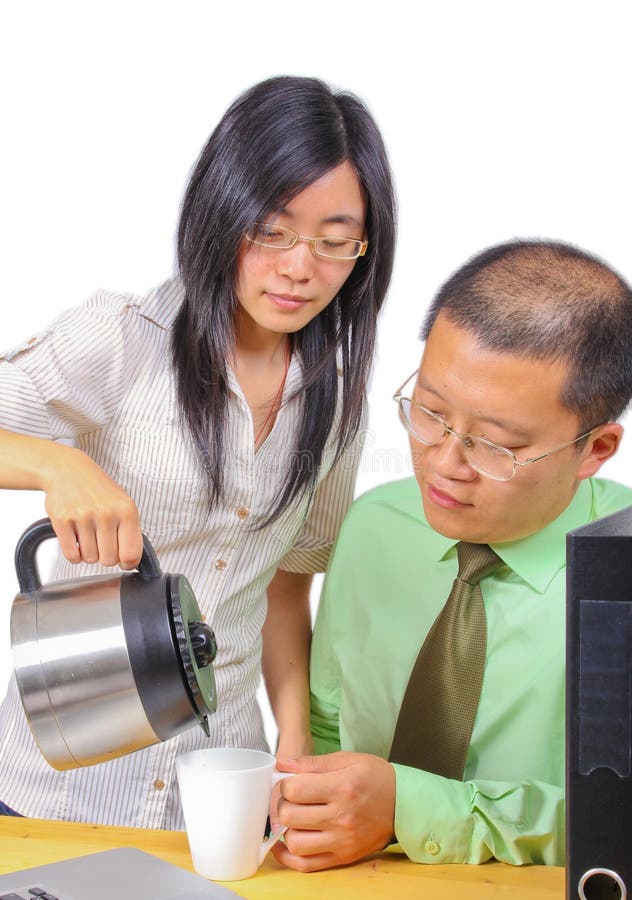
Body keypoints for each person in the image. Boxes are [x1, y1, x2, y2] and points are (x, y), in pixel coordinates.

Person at [0, 75, 396, 828]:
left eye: (335, 242)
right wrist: (59, 465)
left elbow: (284, 592)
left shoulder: (338, 401)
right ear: (223, 214)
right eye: (273, 231)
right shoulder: (121, 337)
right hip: (61, 787)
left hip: (217, 790)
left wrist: (293, 748)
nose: (300, 268)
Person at [272, 239, 632, 871]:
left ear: (596, 448)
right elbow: (329, 726)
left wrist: (412, 810)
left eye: (495, 446)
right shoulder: (379, 525)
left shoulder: (622, 574)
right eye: (431, 412)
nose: (443, 465)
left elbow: (621, 824)